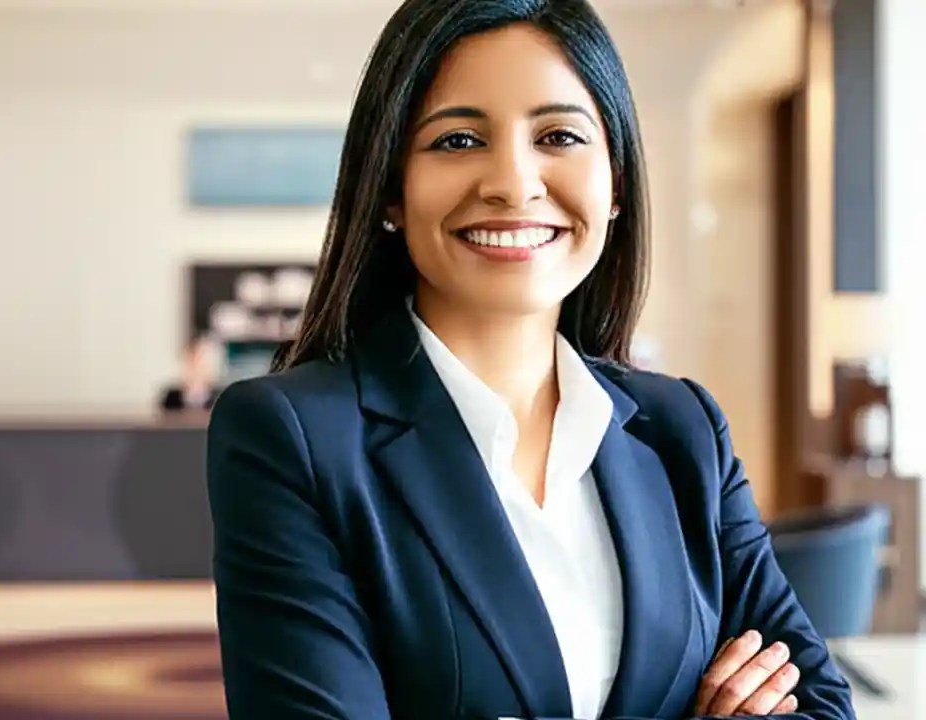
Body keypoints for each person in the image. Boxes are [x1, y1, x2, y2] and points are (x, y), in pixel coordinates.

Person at [205, 1, 855, 719]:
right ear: (391, 188)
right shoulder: (295, 438)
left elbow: (820, 703)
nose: (513, 184)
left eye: (558, 136)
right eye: (456, 141)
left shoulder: (682, 430)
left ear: (615, 184)